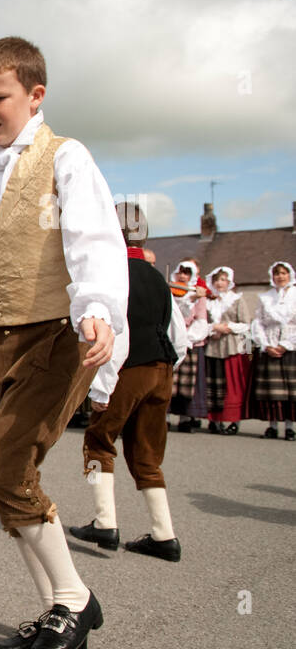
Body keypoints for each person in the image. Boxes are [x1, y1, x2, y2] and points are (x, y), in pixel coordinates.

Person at [0, 36, 127, 649]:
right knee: (8, 481)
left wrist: (95, 305)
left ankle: (73, 601)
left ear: (35, 95)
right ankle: (57, 605)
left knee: (2, 470)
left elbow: (93, 235)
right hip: (0, 344)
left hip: (55, 334)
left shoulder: (65, 157)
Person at [71, 204, 189, 562]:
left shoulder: (112, 273)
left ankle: (105, 523)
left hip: (128, 369)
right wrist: (165, 366)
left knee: (98, 441)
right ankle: (163, 535)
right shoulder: (156, 277)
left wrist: (102, 389)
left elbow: (116, 337)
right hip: (162, 367)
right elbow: (179, 336)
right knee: (147, 453)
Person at [203, 265, 252, 435]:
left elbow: (245, 324)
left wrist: (227, 327)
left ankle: (233, 420)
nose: (219, 283)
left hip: (231, 347)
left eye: (223, 279)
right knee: (214, 385)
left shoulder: (237, 299)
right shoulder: (208, 301)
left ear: (230, 281)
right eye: (217, 279)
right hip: (212, 347)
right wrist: (213, 328)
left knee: (232, 385)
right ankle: (214, 420)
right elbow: (202, 322)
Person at [251, 260, 296, 439]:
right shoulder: (266, 297)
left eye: (283, 273)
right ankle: (272, 426)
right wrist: (266, 345)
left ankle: (290, 427)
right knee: (272, 390)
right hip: (269, 346)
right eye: (277, 273)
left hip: (290, 347)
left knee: (291, 390)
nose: (280, 277)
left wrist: (285, 344)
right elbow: (258, 322)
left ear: (289, 275)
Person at [168, 260, 211, 432]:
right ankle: (165, 416)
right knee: (169, 382)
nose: (183, 276)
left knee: (187, 384)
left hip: (190, 341)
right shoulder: (169, 292)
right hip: (170, 339)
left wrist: (187, 338)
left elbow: (201, 320)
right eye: (181, 272)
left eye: (187, 273)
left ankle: (186, 418)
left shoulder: (198, 297)